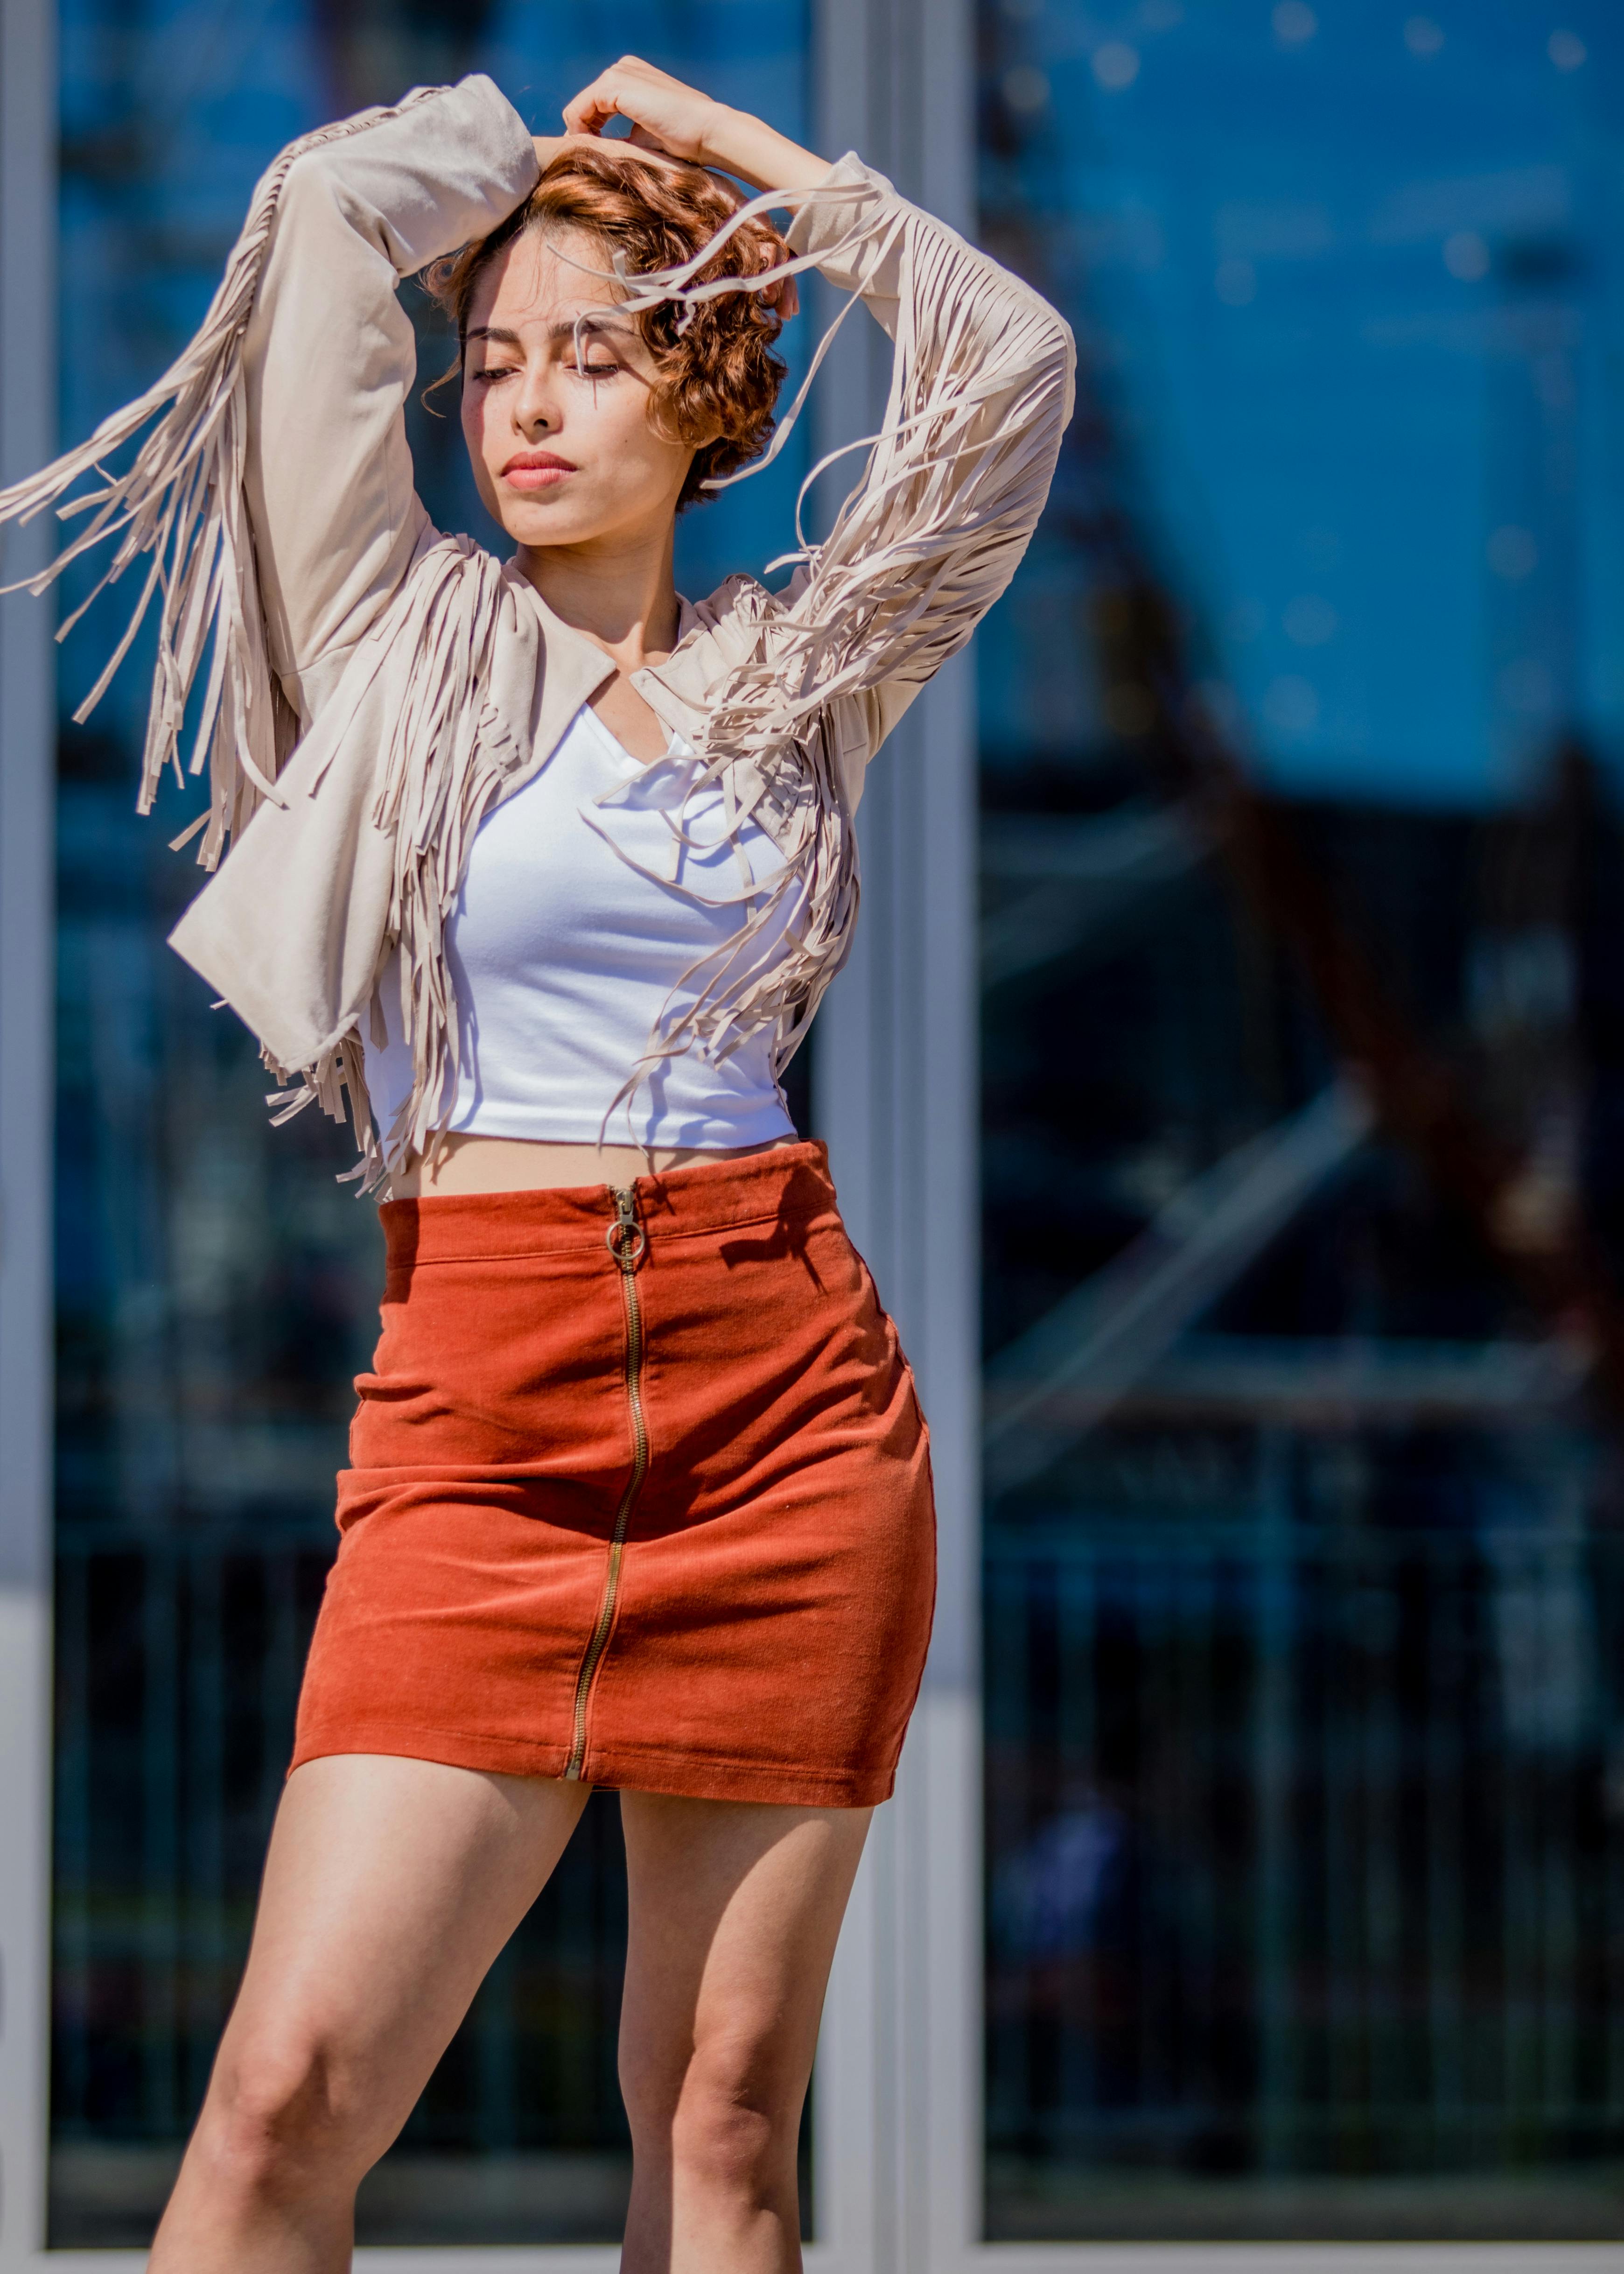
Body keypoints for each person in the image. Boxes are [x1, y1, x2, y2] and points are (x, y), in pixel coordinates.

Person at [2, 52, 1071, 2274]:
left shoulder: (807, 675)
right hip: (475, 1416)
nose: (525, 405)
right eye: (493, 360)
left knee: (722, 2133)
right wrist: (514, 158)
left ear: (699, 395)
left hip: (784, 1410)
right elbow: (314, 234)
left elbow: (1010, 363)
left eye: (595, 353)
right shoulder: (396, 630)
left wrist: (742, 166)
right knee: (285, 2100)